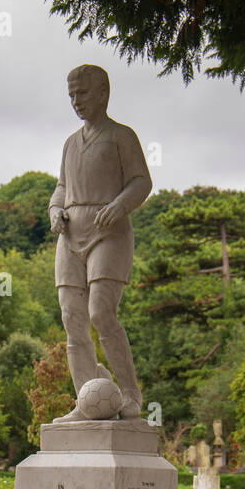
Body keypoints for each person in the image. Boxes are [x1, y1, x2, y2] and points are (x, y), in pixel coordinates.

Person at [49, 65, 152, 421]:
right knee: (72, 318)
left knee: (100, 313)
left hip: (109, 231)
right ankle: (85, 400)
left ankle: (130, 394)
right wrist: (55, 210)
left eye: (83, 93)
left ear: (104, 93)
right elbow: (62, 187)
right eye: (71, 95)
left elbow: (141, 181)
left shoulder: (121, 136)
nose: (76, 101)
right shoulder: (70, 144)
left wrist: (119, 205)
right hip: (70, 234)